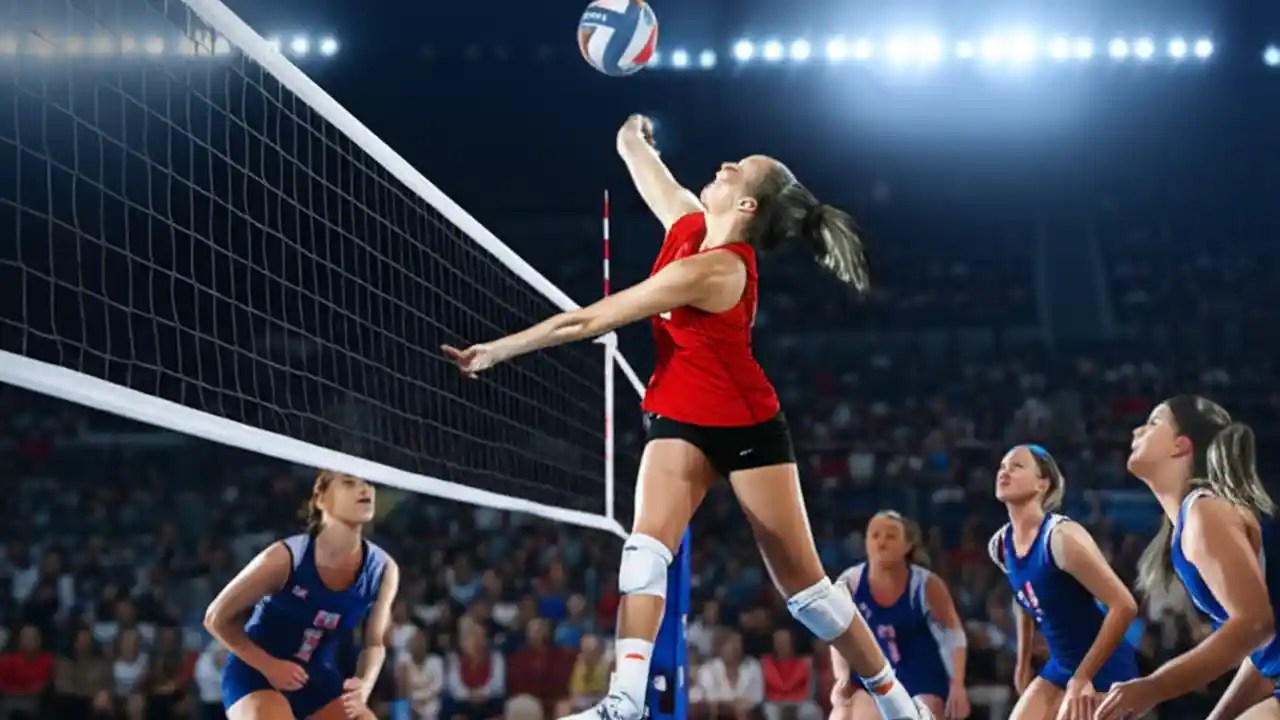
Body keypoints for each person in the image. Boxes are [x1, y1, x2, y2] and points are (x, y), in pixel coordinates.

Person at [443, 114, 927, 720]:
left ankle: (898, 704)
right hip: (678, 415)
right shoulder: (689, 226)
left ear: (746, 201)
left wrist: (498, 349)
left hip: (747, 426)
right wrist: (628, 136)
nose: (721, 166)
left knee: (806, 594)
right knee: (645, 550)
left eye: (735, 169)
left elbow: (590, 321)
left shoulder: (718, 268)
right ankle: (625, 701)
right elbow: (650, 172)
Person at [1097, 396, 1279, 720]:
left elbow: (1255, 625)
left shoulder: (1204, 511)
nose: (1137, 430)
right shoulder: (1195, 518)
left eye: (1153, 422)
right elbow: (1265, 654)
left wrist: (1154, 686)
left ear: (1180, 446)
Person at [204, 471, 400, 720]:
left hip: (316, 678)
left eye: (368, 483)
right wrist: (270, 666)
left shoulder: (384, 569)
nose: (364, 490)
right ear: (321, 499)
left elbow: (375, 643)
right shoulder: (285, 558)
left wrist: (364, 687)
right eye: (350, 483)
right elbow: (215, 618)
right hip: (258, 672)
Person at [986, 445, 1139, 720]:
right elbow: (1024, 596)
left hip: (1104, 667)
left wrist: (1083, 677)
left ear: (1042, 484)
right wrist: (1022, 662)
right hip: (1060, 665)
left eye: (1017, 466)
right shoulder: (1000, 545)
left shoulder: (1062, 538)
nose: (1004, 471)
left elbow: (1125, 605)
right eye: (1002, 466)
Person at [830, 511, 970, 720]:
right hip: (872, 676)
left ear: (907, 546)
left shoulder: (926, 585)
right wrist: (841, 676)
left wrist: (957, 683)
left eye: (891, 536)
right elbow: (838, 634)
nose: (882, 542)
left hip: (921, 679)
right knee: (843, 714)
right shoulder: (850, 583)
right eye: (875, 535)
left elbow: (953, 636)